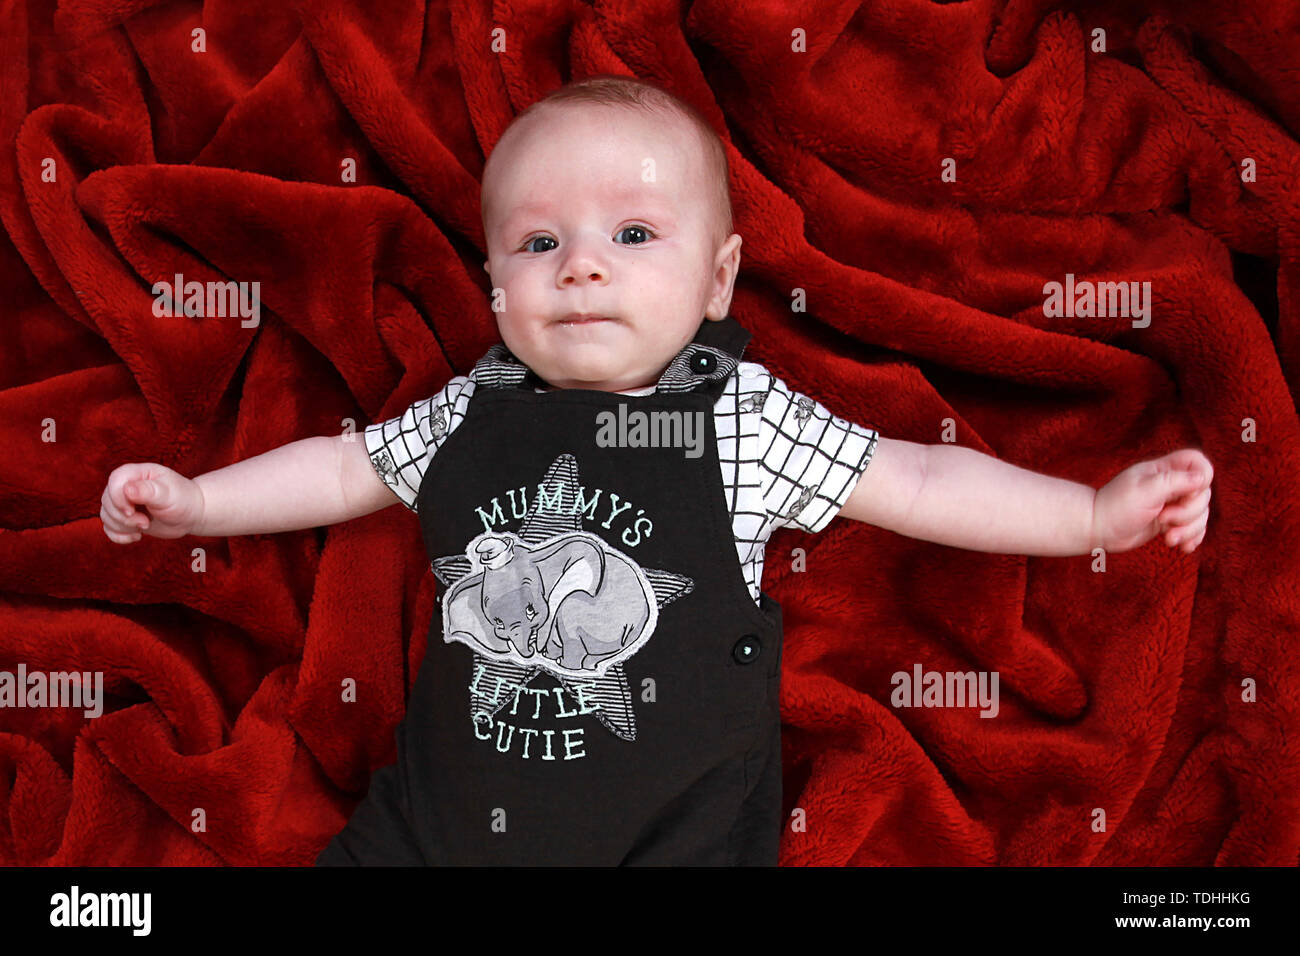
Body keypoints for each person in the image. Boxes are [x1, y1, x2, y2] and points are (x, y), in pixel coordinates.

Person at [99, 75, 1213, 865]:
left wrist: (1089, 516)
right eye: (539, 244)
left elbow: (919, 480)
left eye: (634, 234)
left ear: (719, 278)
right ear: (494, 290)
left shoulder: (739, 416)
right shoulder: (466, 409)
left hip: (671, 833)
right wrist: (199, 501)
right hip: (437, 826)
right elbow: (343, 471)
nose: (581, 262)